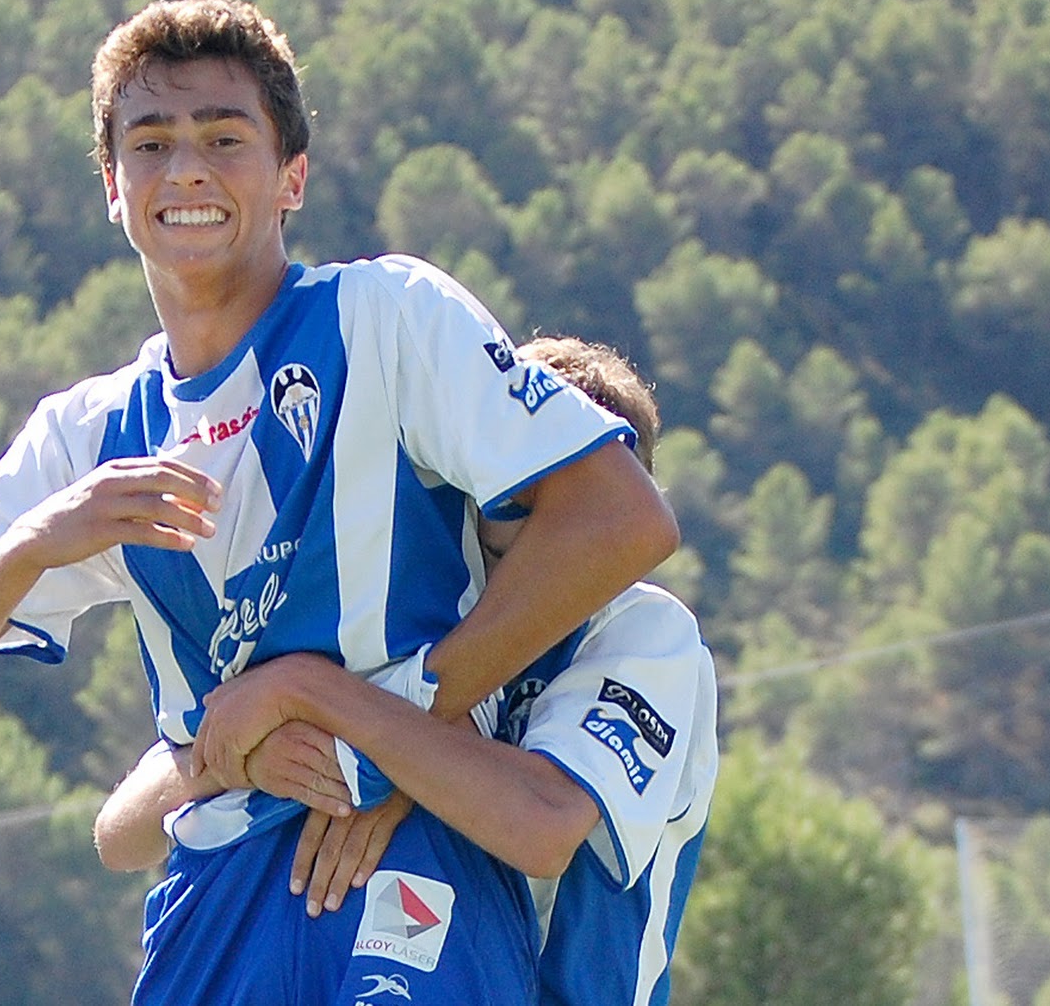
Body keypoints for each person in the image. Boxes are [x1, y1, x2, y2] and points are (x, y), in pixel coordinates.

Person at [0, 0, 679, 1004]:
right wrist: (39, 538)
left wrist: (386, 732)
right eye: (151, 142)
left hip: (411, 862)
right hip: (212, 897)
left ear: (291, 175)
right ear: (113, 187)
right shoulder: (84, 434)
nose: (187, 168)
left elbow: (622, 520)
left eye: (224, 137)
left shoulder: (382, 316)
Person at [96, 335, 719, 1005]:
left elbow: (541, 826)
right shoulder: (414, 603)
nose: (536, 500)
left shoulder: (645, 634)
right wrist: (240, 759)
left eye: (579, 484)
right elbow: (120, 834)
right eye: (516, 471)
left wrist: (346, 718)